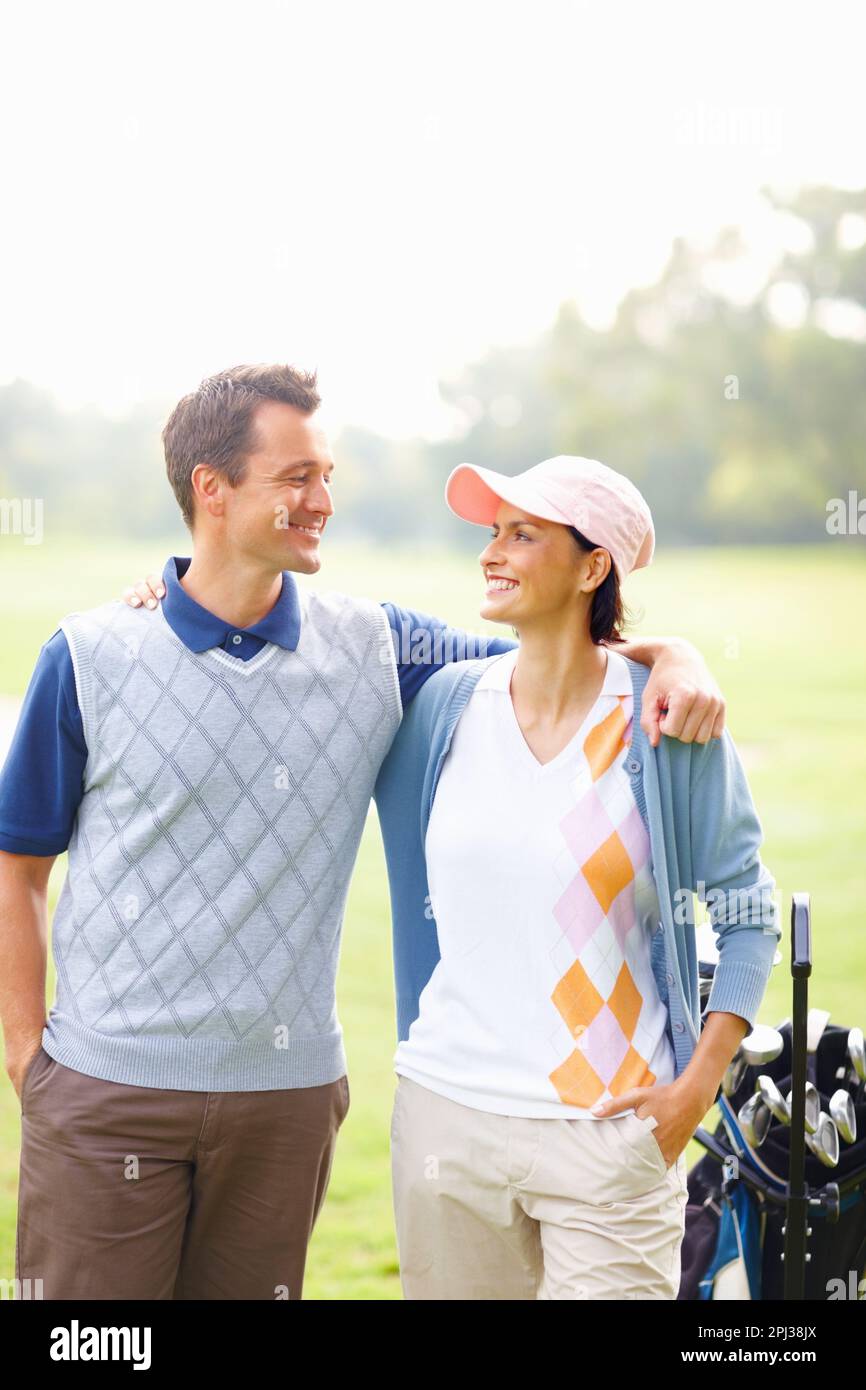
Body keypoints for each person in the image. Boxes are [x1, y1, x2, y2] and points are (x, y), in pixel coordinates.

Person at [0, 363, 726, 1300]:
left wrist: (676, 653)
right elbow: (19, 866)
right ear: (210, 491)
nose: (324, 501)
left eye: (329, 475)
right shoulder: (92, 654)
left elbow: (557, 649)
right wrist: (29, 1060)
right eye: (297, 478)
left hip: (285, 1101)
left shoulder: (383, 649)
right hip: (106, 1098)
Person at [373, 454, 780, 1300]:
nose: (493, 552)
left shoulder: (668, 725)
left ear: (594, 566)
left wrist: (697, 1087)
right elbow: (304, 618)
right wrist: (167, 588)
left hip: (612, 1136)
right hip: (449, 1121)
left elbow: (747, 909)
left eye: (523, 534)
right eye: (493, 532)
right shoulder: (444, 702)